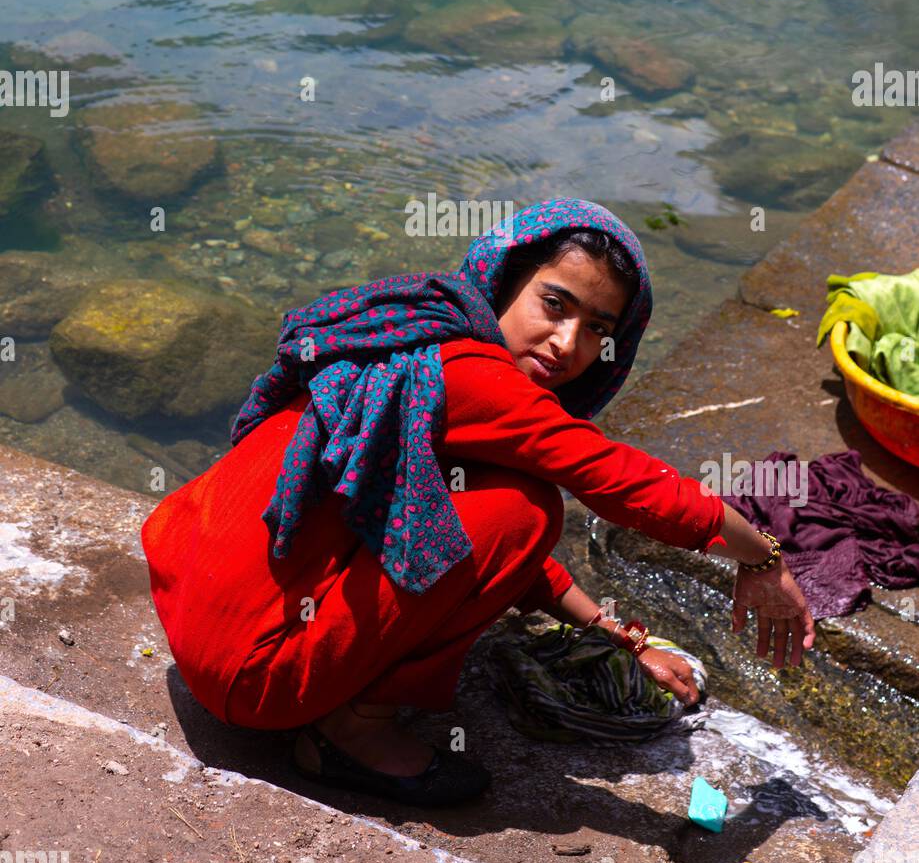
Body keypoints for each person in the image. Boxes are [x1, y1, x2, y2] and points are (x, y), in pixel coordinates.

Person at [141, 198, 815, 808]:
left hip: (185, 602)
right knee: (529, 509)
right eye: (554, 305)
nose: (567, 344)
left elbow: (467, 536)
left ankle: (329, 692)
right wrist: (763, 559)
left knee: (508, 506)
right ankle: (352, 734)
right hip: (251, 682)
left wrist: (612, 635)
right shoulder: (477, 378)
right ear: (502, 282)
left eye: (595, 329)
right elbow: (619, 482)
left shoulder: (420, 329)